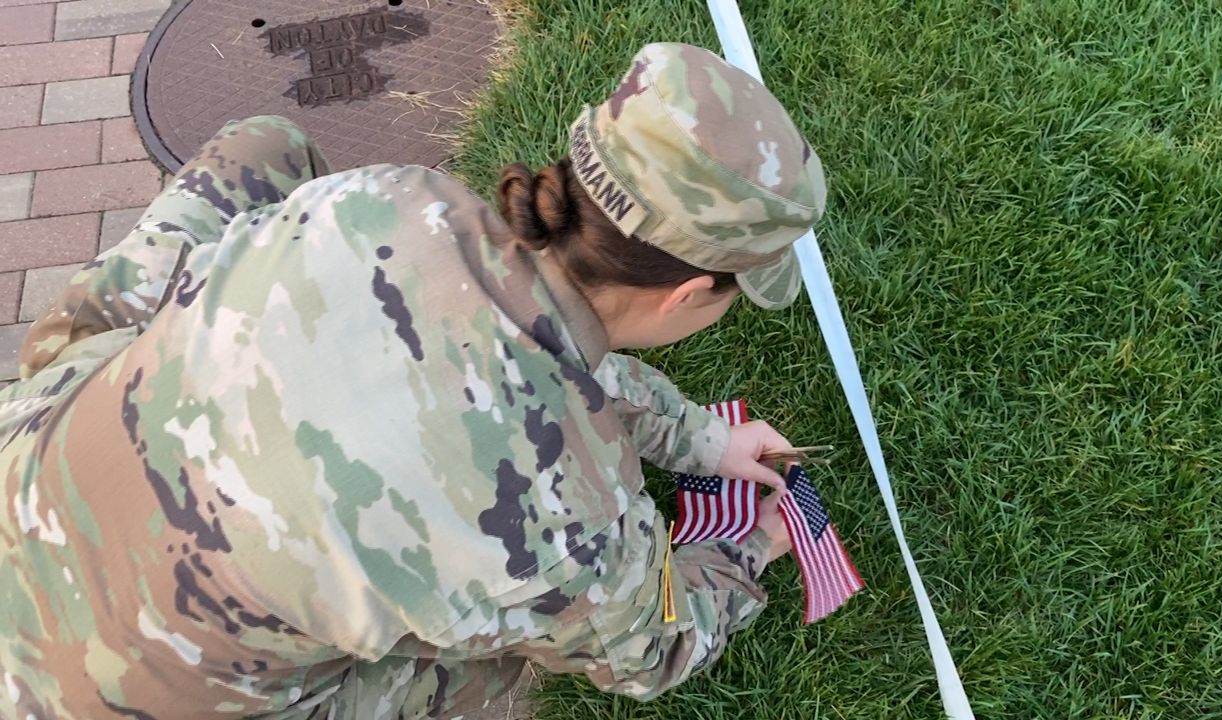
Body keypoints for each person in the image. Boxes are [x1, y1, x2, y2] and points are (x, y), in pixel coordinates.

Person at [0, 42, 826, 719]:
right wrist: (755, 547)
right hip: (101, 694)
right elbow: (650, 650)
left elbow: (520, 344)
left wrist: (702, 439)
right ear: (687, 295)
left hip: (25, 469)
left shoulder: (387, 198)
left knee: (263, 149)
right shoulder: (572, 515)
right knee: (485, 665)